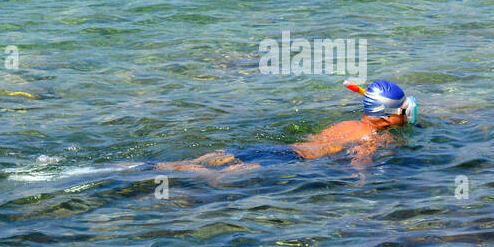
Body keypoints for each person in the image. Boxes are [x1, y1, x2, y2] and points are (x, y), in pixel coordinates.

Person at [158, 80, 417, 176]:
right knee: (222, 176)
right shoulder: (373, 137)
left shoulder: (346, 124)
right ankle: (190, 175)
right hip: (285, 163)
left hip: (277, 149)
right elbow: (359, 166)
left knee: (213, 159)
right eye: (403, 111)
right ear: (385, 117)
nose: (406, 114)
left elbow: (312, 139)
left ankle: (157, 167)